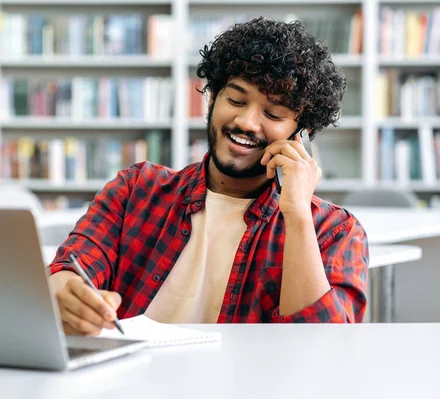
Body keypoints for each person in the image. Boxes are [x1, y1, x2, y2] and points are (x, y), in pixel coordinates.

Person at [48, 17, 369, 335]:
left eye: (272, 113)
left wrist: (297, 215)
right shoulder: (136, 191)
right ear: (213, 98)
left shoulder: (335, 232)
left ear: (302, 134)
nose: (246, 122)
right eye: (235, 100)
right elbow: (69, 271)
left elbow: (322, 350)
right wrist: (63, 291)